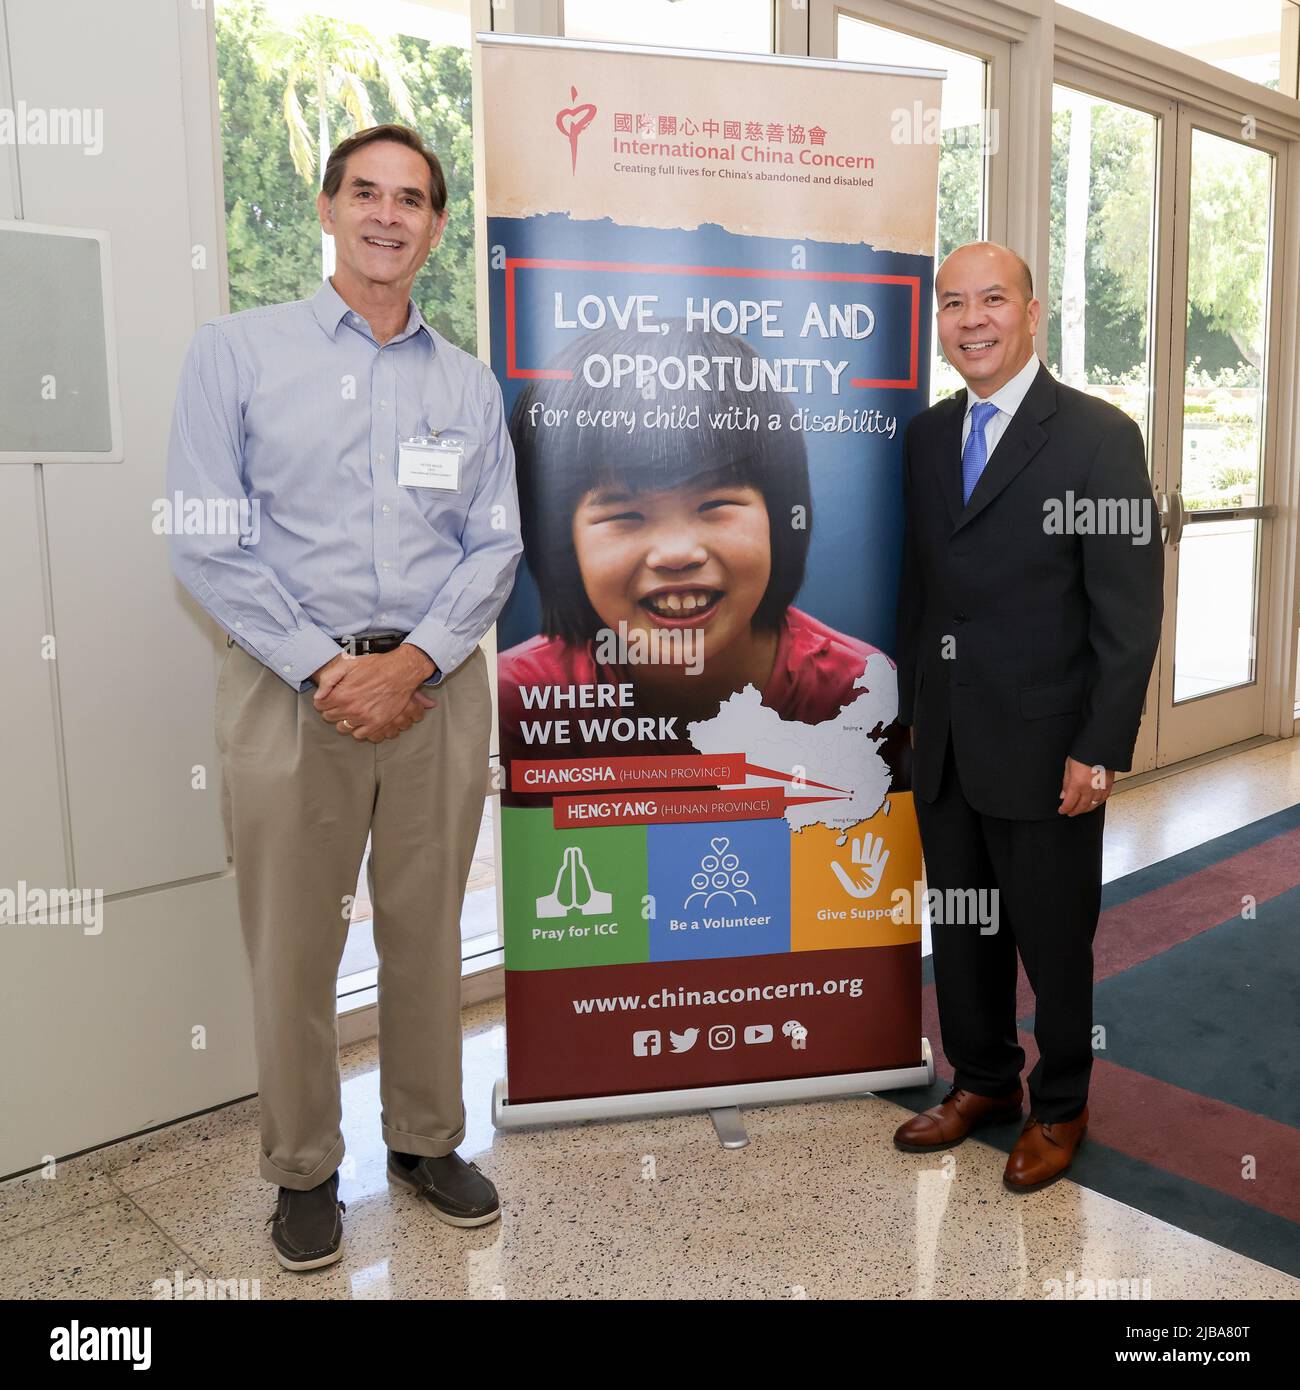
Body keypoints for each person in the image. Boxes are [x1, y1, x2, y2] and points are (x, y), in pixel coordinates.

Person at [167, 124, 522, 1269]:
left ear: (432, 225)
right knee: (294, 941)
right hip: (289, 689)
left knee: (426, 927)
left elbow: (494, 546)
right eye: (365, 192)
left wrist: (411, 663)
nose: (387, 215)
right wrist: (327, 668)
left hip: (433, 690)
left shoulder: (467, 385)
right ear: (326, 208)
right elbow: (206, 539)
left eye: (411, 199)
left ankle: (424, 1140)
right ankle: (304, 1167)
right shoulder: (236, 353)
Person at [892, 241, 1162, 1190]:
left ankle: (1060, 1104)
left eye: (993, 299)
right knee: (962, 930)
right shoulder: (927, 438)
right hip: (949, 746)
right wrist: (914, 715)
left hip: (1050, 751)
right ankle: (983, 1082)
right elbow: (921, 592)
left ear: (1032, 313)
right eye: (954, 302)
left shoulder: (1099, 437)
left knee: (1051, 937)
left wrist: (1099, 746)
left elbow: (1128, 614)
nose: (972, 319)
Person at [499, 321, 909, 802]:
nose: (676, 553)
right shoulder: (520, 700)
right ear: (560, 543)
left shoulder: (858, 693)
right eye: (626, 514)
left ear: (779, 517)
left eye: (714, 506)